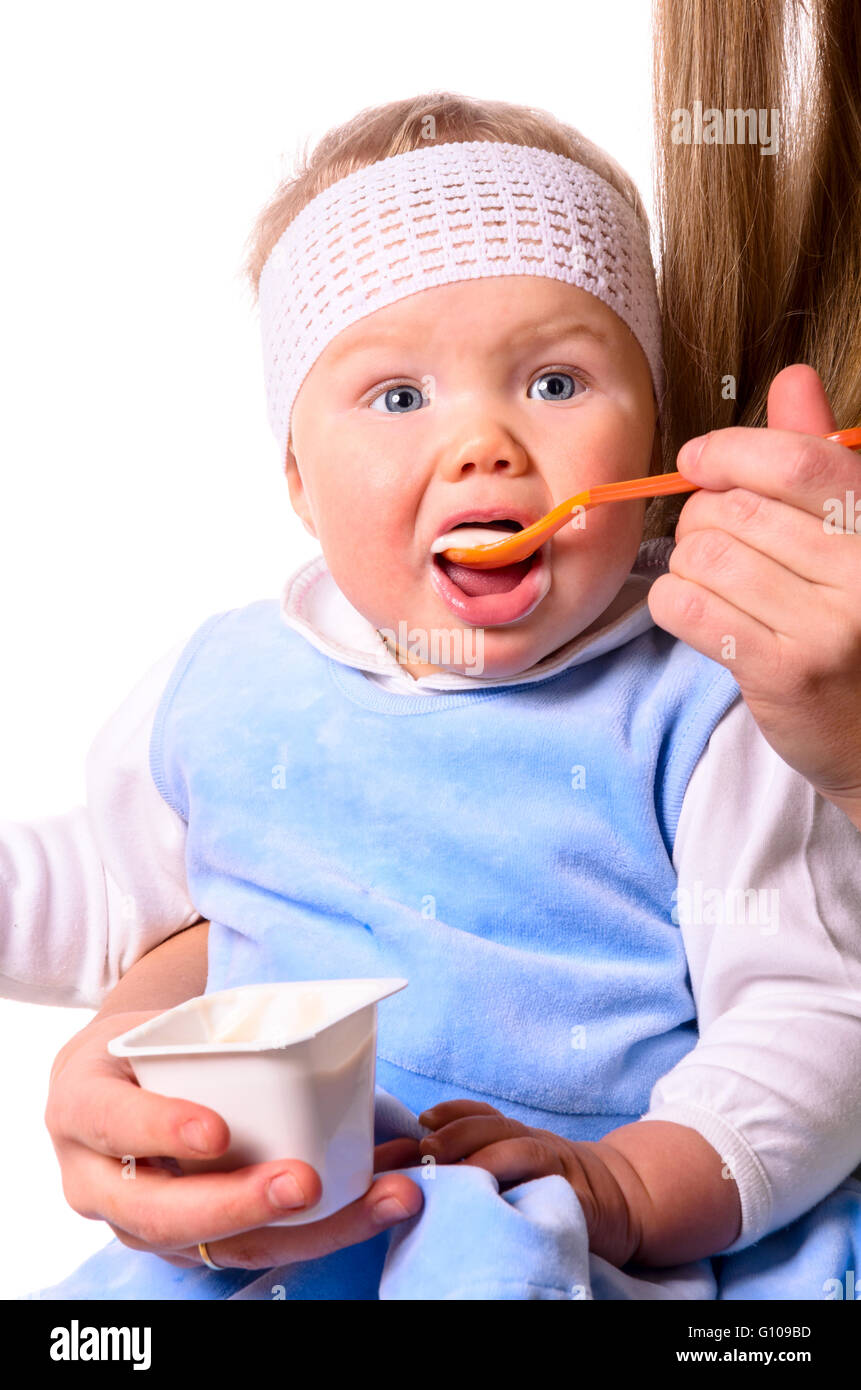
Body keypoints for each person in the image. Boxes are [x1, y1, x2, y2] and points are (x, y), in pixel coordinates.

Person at [14, 89, 860, 1301]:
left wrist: (624, 1187)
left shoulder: (713, 693)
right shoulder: (234, 682)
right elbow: (111, 889)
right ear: (299, 483)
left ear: (655, 441)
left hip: (567, 1230)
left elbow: (814, 1012)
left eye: (557, 382)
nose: (486, 445)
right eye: (400, 397)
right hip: (275, 1219)